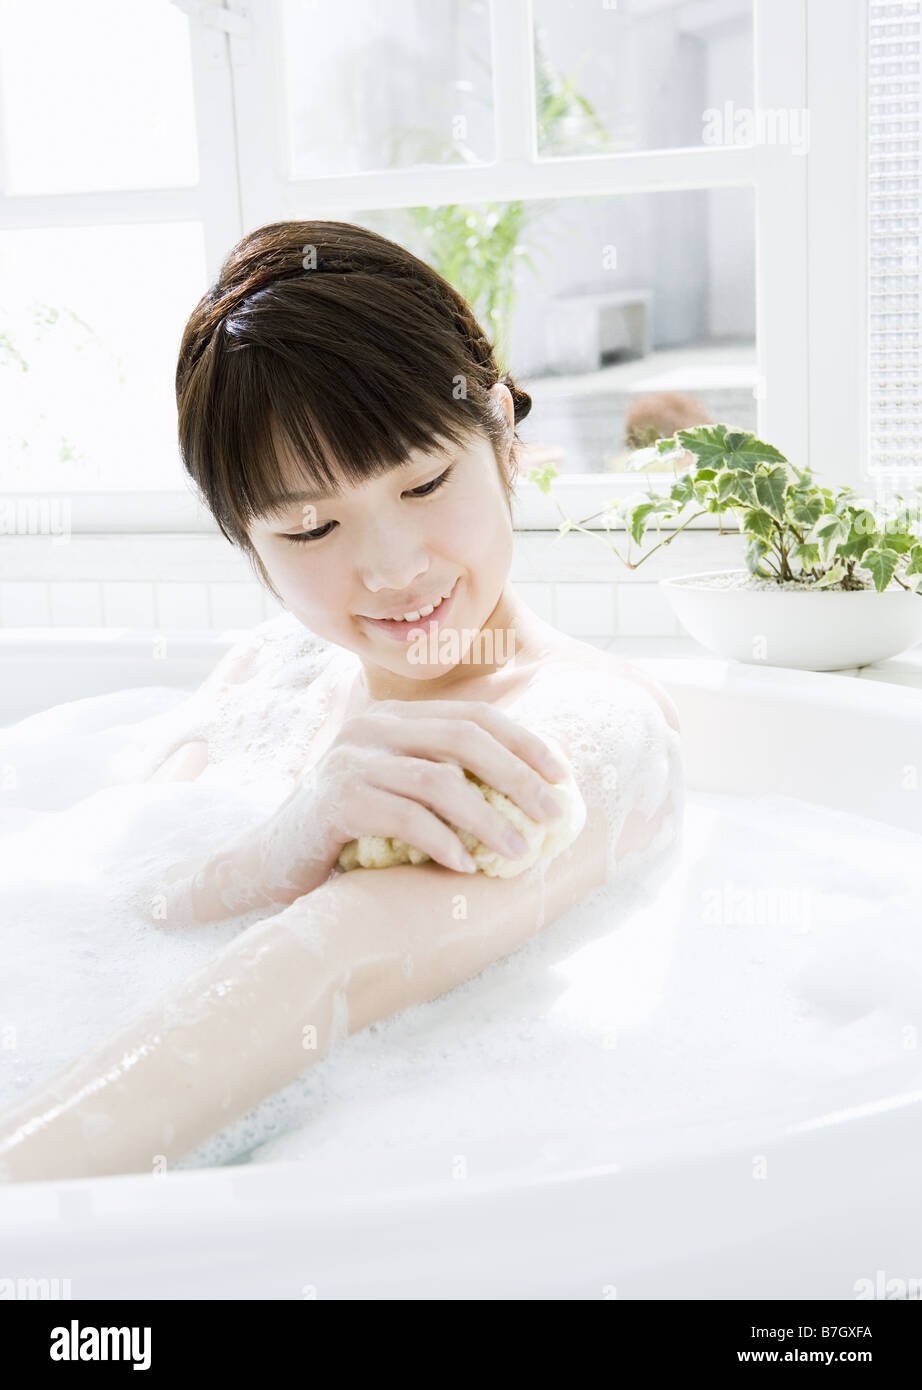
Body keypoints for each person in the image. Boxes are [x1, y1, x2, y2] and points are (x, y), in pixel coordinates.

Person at [0, 221, 684, 1183]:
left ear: (499, 429)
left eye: (426, 482)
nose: (396, 572)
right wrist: (278, 847)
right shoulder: (268, 674)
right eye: (312, 528)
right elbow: (125, 906)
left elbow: (327, 966)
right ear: (247, 540)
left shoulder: (581, 726)